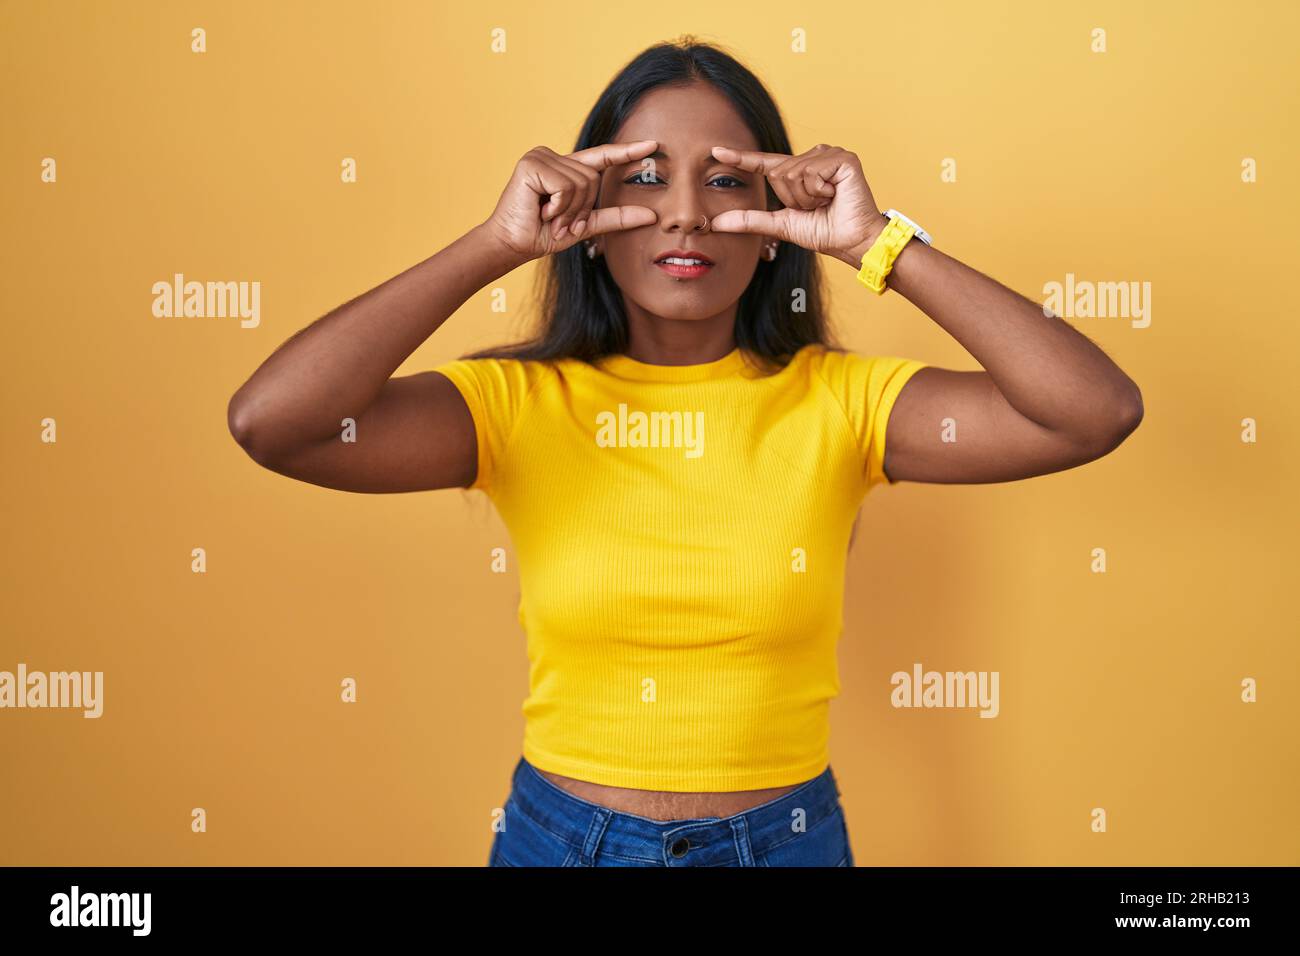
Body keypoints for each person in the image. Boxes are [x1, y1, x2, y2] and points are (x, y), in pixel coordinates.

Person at [226, 39, 1142, 867]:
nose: (686, 215)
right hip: (560, 844)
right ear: (586, 205)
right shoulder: (516, 404)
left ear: (779, 212)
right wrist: (498, 243)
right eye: (648, 177)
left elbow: (1092, 412)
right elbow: (274, 422)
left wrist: (877, 243)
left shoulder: (842, 402)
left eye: (727, 181)